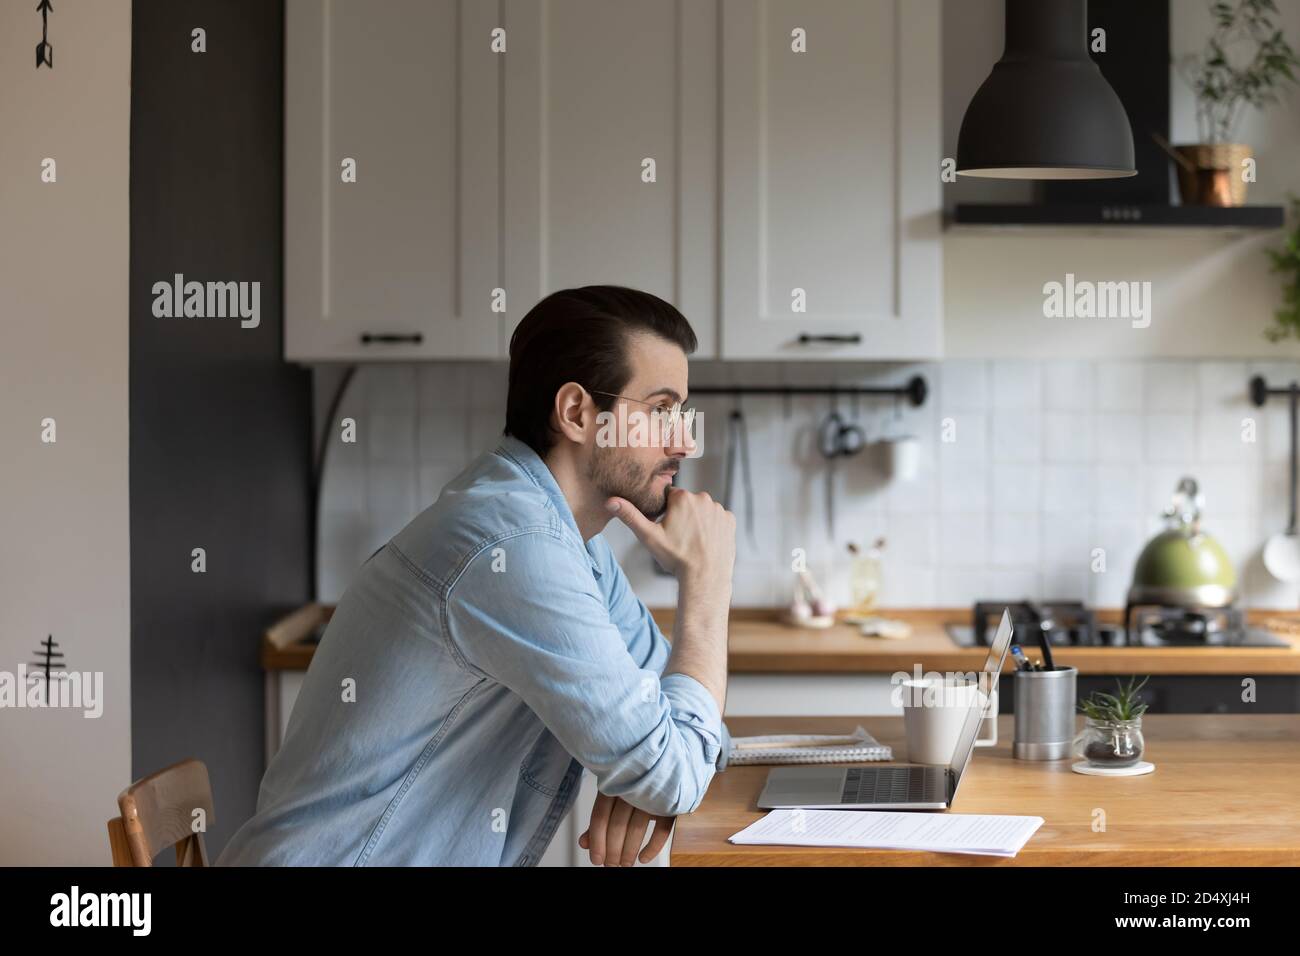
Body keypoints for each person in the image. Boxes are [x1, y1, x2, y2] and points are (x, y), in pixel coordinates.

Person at [217, 285, 736, 866]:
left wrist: (654, 771)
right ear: (577, 414)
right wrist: (708, 586)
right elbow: (675, 763)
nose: (685, 440)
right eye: (661, 410)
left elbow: (690, 731)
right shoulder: (516, 546)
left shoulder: (573, 548)